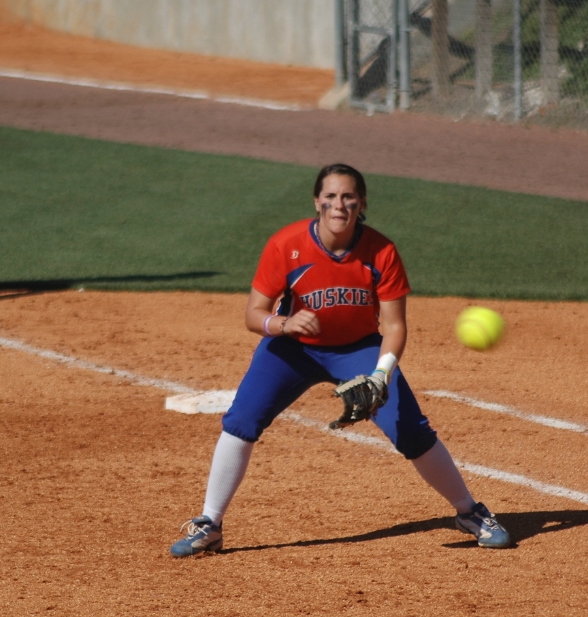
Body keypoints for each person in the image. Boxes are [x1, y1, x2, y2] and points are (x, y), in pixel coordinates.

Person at [170, 163, 511, 557]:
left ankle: (469, 513)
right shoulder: (287, 245)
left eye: (348, 197)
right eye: (330, 197)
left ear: (361, 203)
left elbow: (395, 326)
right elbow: (253, 314)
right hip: (293, 349)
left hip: (358, 350)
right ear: (317, 201)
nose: (339, 205)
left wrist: (381, 375)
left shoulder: (380, 251)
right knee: (241, 421)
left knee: (411, 429)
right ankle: (209, 524)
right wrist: (284, 324)